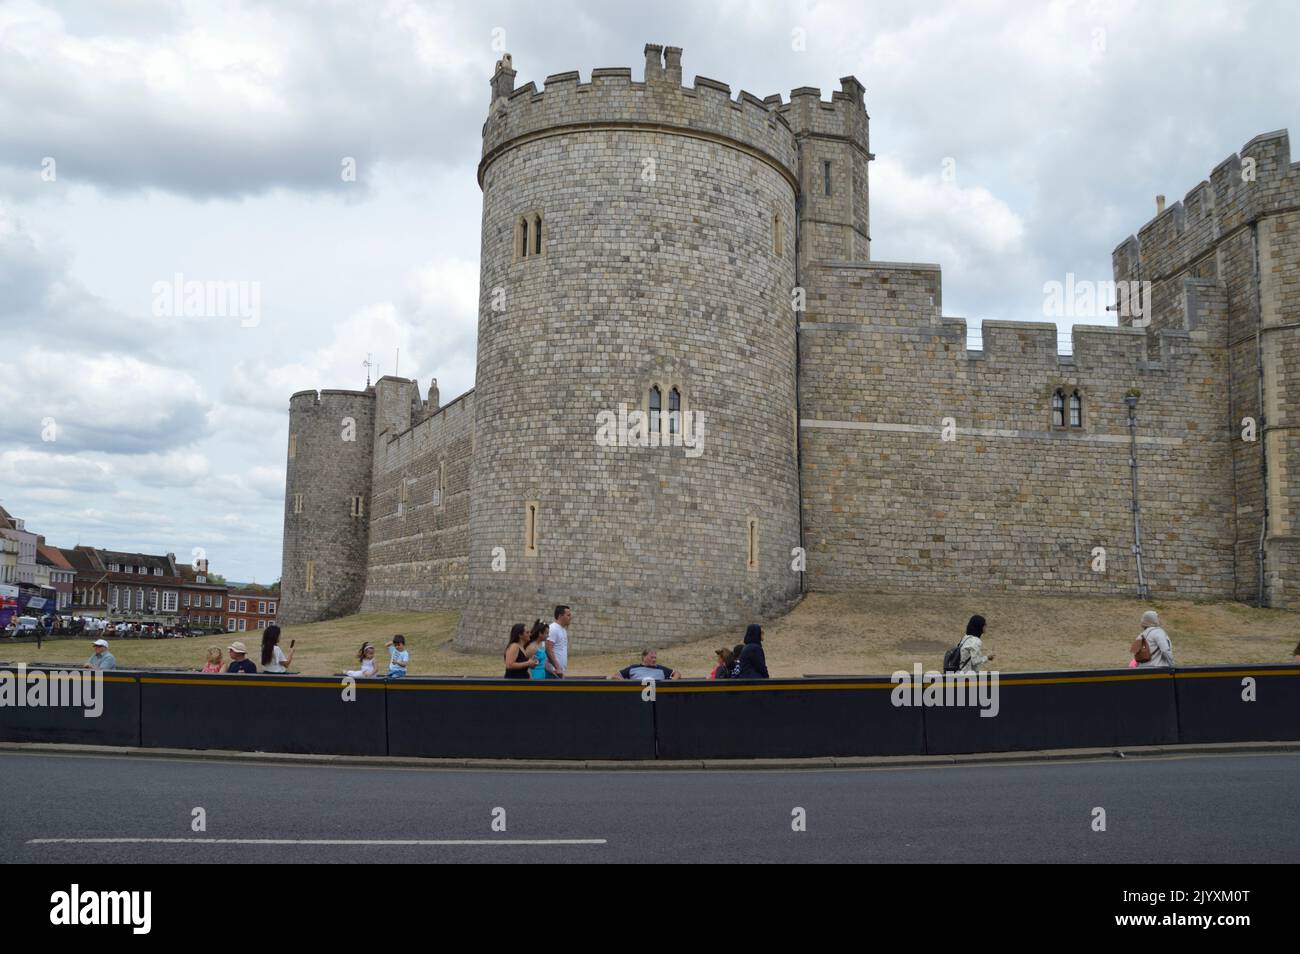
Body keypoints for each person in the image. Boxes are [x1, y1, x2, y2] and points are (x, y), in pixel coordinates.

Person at [610, 649, 681, 681]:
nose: (654, 660)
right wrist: (626, 683)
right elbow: (615, 676)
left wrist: (672, 681)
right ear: (644, 657)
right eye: (651, 657)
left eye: (655, 658)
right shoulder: (633, 668)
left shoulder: (661, 669)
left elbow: (677, 673)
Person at [547, 604, 572, 678]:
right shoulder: (553, 628)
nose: (570, 617)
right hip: (553, 671)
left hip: (558, 672)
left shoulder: (562, 629)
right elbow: (548, 649)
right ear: (560, 616)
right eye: (568, 615)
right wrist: (557, 667)